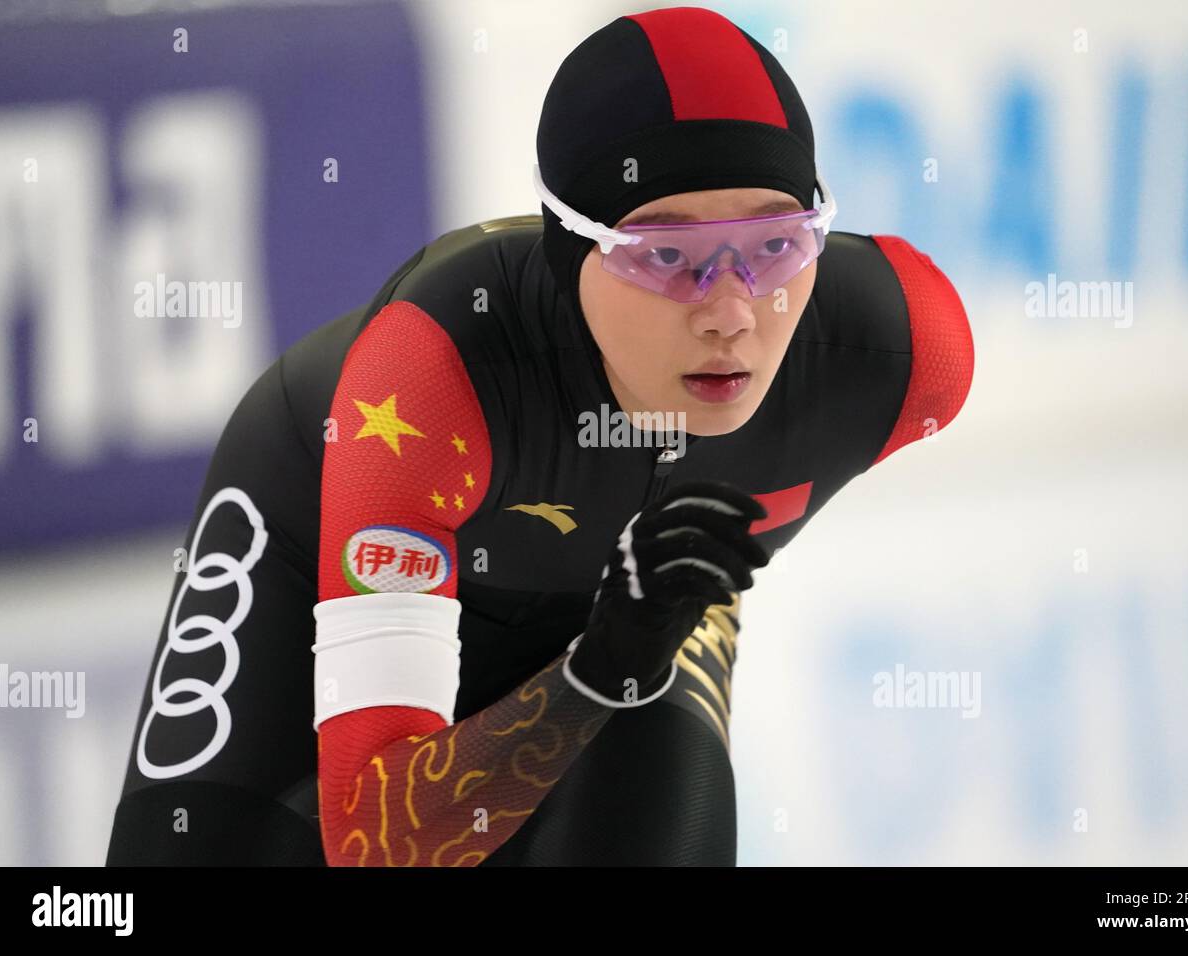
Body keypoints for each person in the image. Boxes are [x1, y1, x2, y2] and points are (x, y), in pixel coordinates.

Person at [106, 5, 974, 866]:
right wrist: (591, 670)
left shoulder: (904, 353)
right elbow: (375, 842)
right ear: (571, 254)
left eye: (774, 244)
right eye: (667, 255)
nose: (732, 311)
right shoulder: (435, 383)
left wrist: (621, 658)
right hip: (320, 533)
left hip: (634, 614)